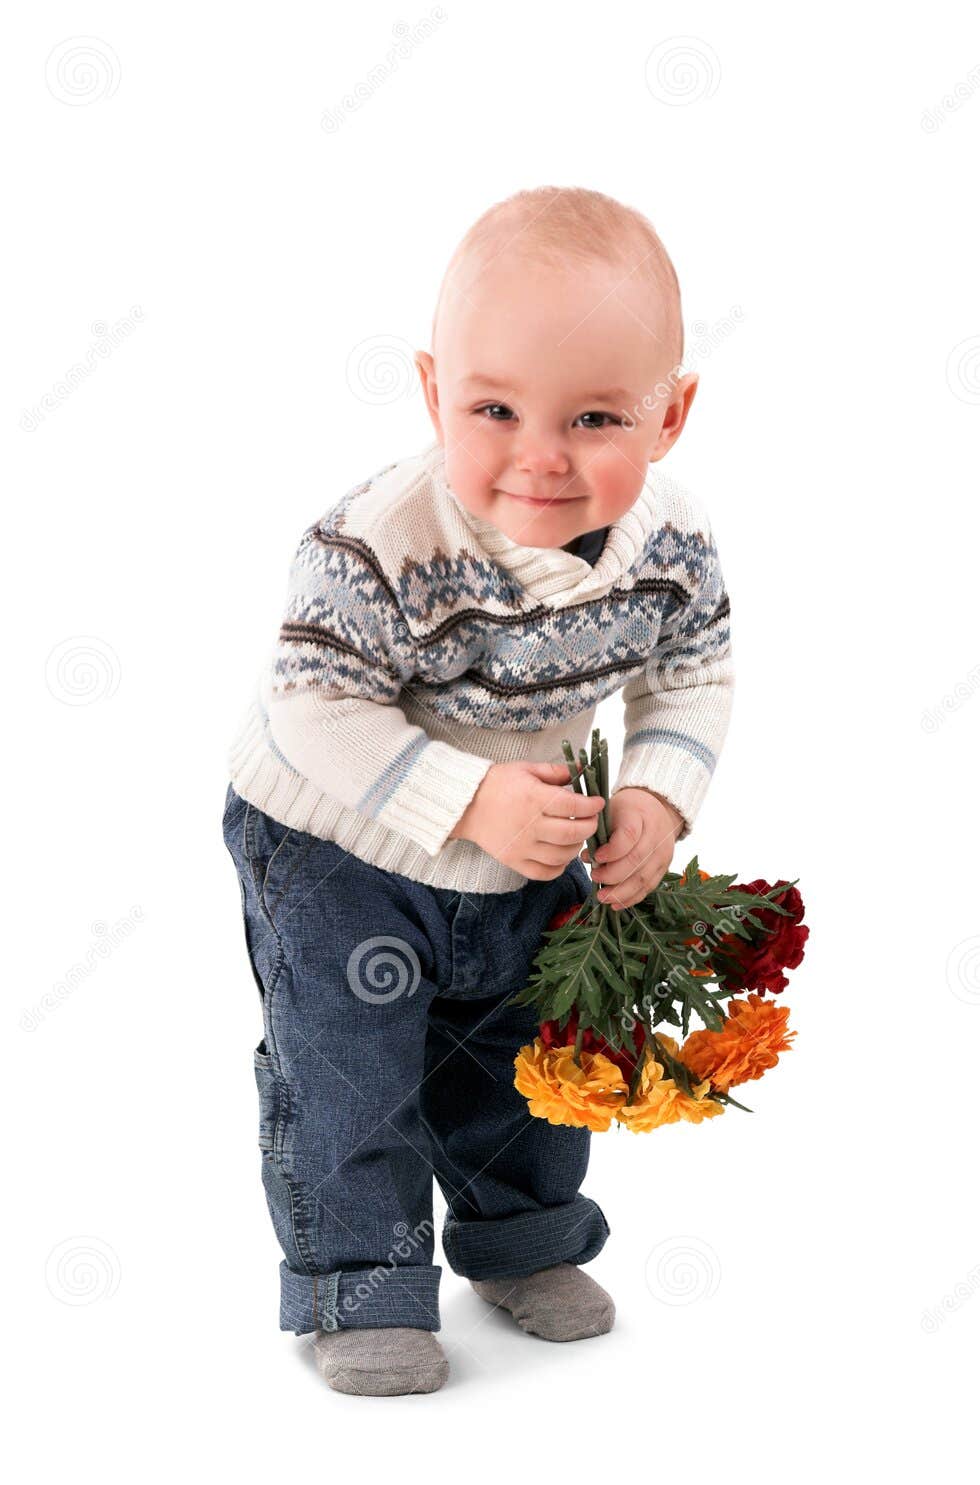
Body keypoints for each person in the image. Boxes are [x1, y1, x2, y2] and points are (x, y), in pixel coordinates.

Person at [221, 184, 734, 1395]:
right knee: (350, 1061)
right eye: (492, 407)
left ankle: (522, 1240)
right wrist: (464, 798)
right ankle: (361, 1282)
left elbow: (693, 672)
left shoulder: (670, 544)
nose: (539, 456)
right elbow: (314, 707)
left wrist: (655, 800)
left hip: (520, 843)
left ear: (671, 415)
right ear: (429, 390)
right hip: (335, 839)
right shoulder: (377, 541)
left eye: (596, 415)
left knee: (528, 1046)